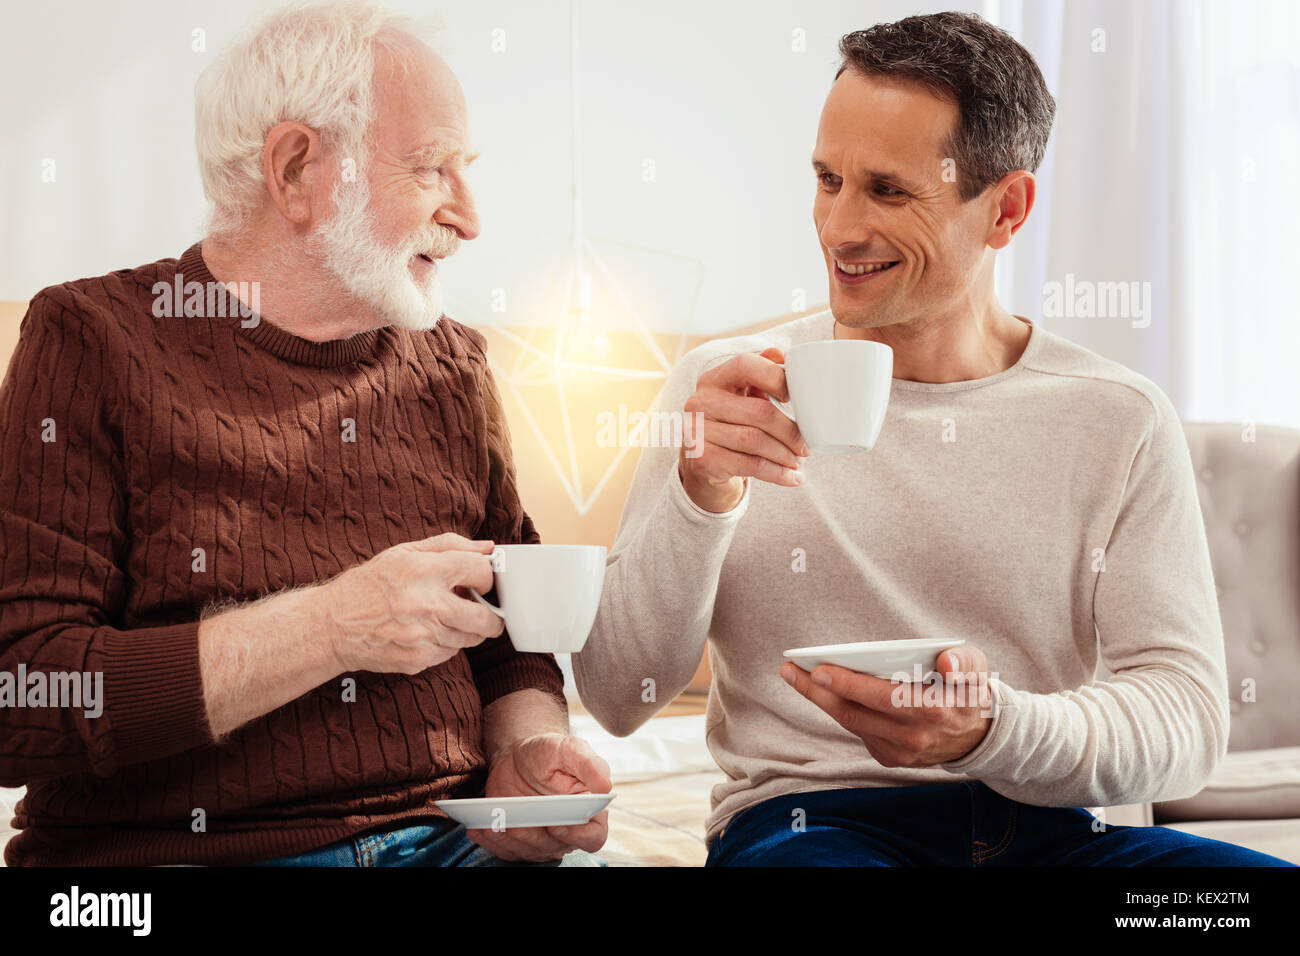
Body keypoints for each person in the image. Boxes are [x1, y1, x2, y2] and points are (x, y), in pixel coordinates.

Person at [573, 11, 1293, 867]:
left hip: (1067, 837)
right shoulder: (723, 392)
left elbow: (1184, 722)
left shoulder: (1118, 418)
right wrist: (701, 498)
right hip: (815, 827)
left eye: (886, 190)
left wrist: (990, 730)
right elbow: (617, 698)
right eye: (827, 178)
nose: (839, 228)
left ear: (1007, 210)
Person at [0, 0, 609, 867]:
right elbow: (22, 695)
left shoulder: (452, 364)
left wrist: (524, 748)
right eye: (433, 168)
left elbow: (510, 631)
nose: (471, 219)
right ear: (294, 169)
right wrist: (332, 627)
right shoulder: (90, 338)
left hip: (447, 846)